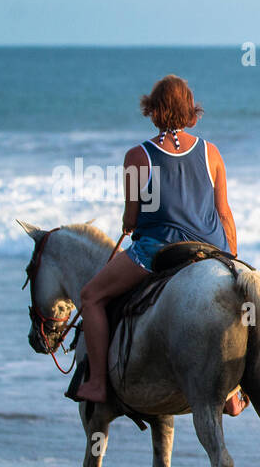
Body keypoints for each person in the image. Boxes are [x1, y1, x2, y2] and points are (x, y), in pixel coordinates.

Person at [73, 75, 245, 415]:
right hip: (211, 250)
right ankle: (233, 391)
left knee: (91, 296)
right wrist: (231, 260)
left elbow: (133, 217)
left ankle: (96, 382)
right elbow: (224, 213)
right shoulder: (211, 153)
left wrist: (128, 224)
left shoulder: (138, 156)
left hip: (159, 250)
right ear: (190, 111)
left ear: (154, 111)